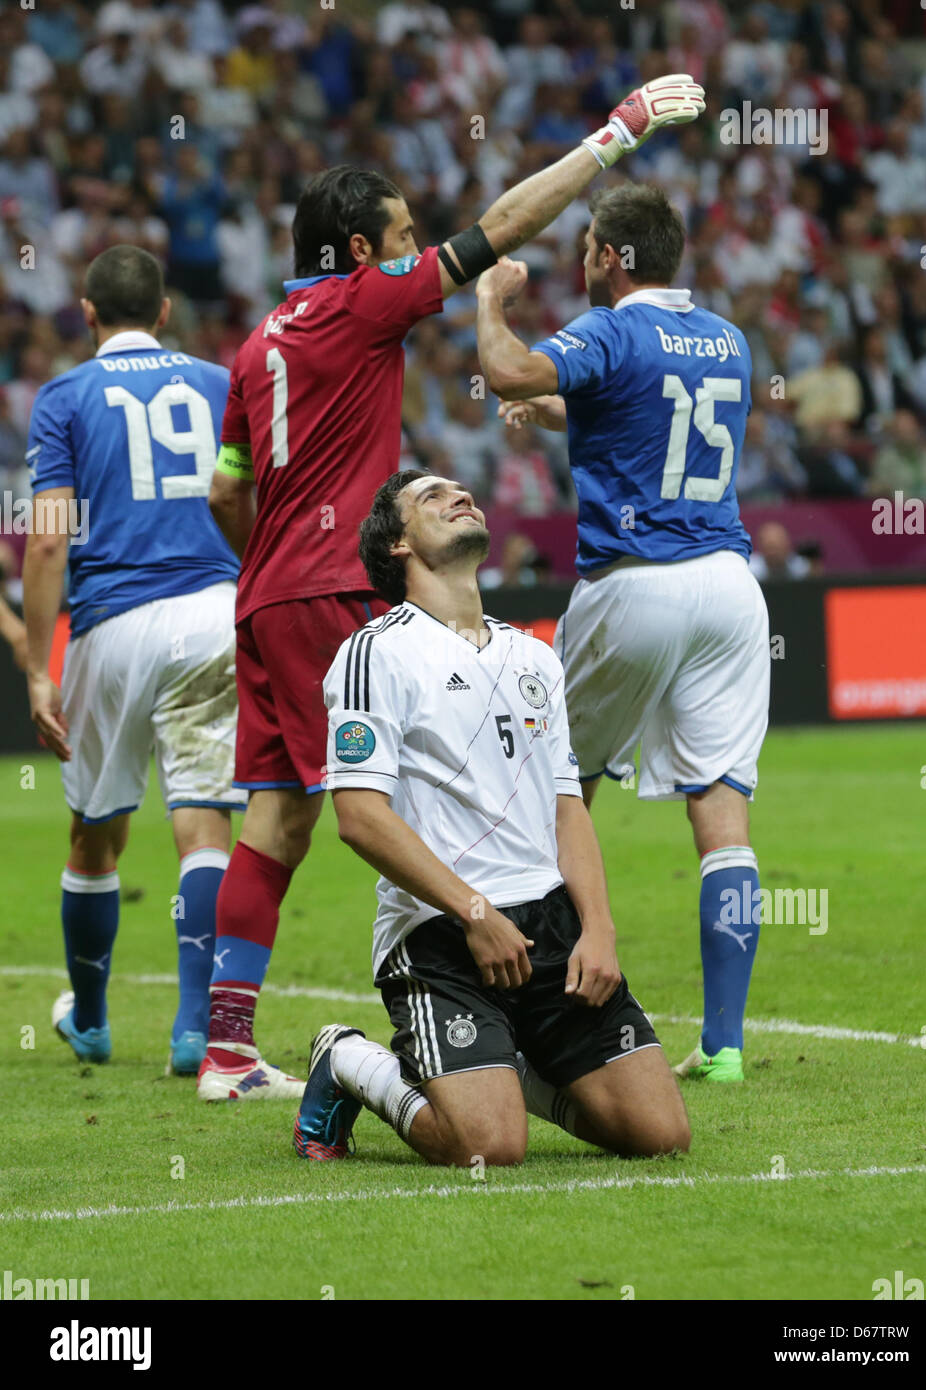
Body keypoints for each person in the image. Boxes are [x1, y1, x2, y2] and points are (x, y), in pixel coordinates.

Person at [203, 75, 705, 1100]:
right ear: (356, 251)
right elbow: (501, 224)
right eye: (397, 234)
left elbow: (226, 492)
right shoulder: (364, 299)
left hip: (264, 597)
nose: (409, 245)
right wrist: (615, 135)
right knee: (413, 796)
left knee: (272, 820)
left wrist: (273, 563)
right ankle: (489, 998)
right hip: (336, 591)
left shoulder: (255, 343)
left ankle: (220, 1045)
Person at [292, 471, 690, 1166]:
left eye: (461, 490)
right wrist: (474, 914)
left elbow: (567, 807)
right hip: (441, 935)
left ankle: (502, 1065)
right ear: (396, 547)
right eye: (430, 497)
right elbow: (357, 816)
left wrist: (598, 931)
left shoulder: (534, 656)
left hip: (551, 930)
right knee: (488, 1149)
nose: (459, 495)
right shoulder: (375, 652)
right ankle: (347, 1059)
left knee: (659, 1136)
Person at [476, 182, 769, 1084]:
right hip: (729, 586)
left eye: (589, 246)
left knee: (555, 784)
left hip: (635, 585)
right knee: (722, 816)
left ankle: (536, 1016)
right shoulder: (725, 338)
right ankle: (722, 1044)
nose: (581, 258)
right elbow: (640, 411)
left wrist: (489, 301)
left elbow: (507, 369)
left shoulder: (611, 330)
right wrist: (557, 410)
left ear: (611, 257)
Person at [23, 245, 247, 1076]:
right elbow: (250, 501)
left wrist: (40, 668)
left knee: (94, 834)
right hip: (216, 613)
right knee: (204, 822)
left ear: (85, 313)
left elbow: (46, 541)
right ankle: (195, 1030)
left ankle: (90, 1019)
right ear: (163, 312)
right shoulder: (223, 384)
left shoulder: (66, 396)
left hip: (113, 624)